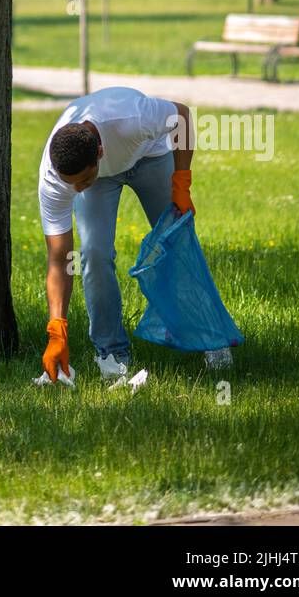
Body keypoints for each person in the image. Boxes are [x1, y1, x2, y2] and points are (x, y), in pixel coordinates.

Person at [39, 85, 226, 379]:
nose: (76, 190)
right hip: (101, 176)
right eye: (70, 183)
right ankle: (112, 354)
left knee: (178, 241)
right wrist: (57, 330)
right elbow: (59, 258)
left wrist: (182, 183)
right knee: (94, 254)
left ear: (100, 153)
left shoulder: (133, 118)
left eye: (82, 181)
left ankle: (211, 339)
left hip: (148, 155)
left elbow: (182, 116)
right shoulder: (56, 178)